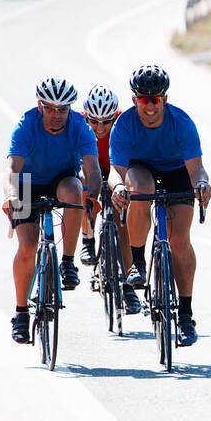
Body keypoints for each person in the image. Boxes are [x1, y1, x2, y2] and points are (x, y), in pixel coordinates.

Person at [107, 64, 211, 347]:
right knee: (140, 189)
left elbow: (197, 170)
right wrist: (118, 186)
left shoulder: (182, 122)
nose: (150, 106)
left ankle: (187, 315)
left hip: (177, 171)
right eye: (144, 99)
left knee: (179, 241)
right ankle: (138, 262)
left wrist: (202, 185)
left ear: (165, 99)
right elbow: (116, 171)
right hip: (141, 169)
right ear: (134, 100)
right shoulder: (124, 124)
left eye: (156, 99)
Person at [0, 76, 101, 343]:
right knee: (27, 247)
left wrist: (93, 196)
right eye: (50, 109)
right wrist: (11, 196)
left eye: (63, 110)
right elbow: (12, 169)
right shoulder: (26, 125)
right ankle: (21, 313)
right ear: (40, 106)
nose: (57, 115)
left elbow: (93, 169)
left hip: (61, 179)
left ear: (70, 109)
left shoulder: (80, 125)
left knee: (76, 190)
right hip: (27, 183)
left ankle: (67, 262)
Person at [78, 84, 141, 315]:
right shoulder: (78, 123)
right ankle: (87, 239)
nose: (100, 127)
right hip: (90, 169)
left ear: (115, 115)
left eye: (106, 122)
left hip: (117, 169)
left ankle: (127, 286)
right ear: (87, 116)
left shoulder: (124, 122)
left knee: (120, 222)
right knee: (83, 185)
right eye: (94, 121)